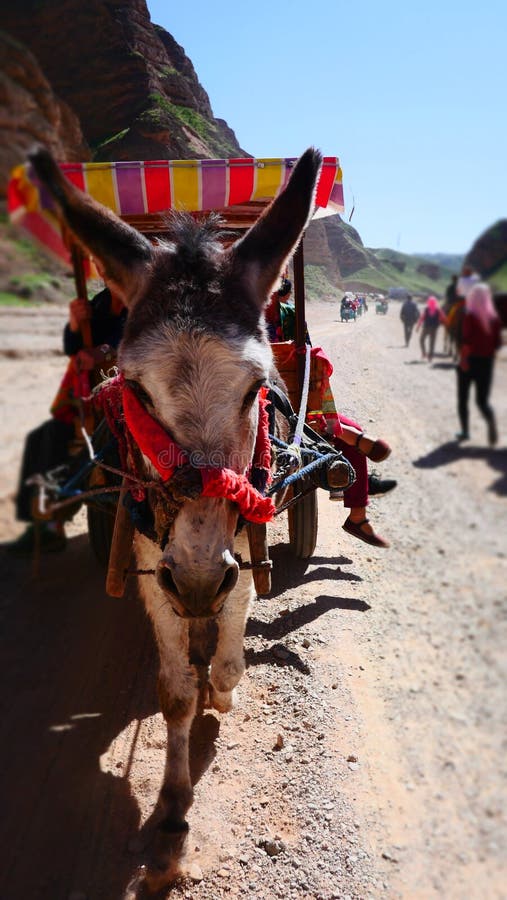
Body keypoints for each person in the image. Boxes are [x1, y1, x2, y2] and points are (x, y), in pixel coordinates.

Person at [6, 286, 127, 556]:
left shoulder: (143, 295)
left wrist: (104, 352)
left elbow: (139, 338)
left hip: (127, 397)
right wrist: (74, 325)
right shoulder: (100, 303)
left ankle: (54, 515)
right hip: (92, 399)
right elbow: (73, 348)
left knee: (89, 446)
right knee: (43, 437)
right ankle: (45, 524)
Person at [455, 281, 502, 444]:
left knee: (463, 398)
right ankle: (492, 424)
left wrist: (463, 361)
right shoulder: (494, 318)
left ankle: (465, 432)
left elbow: (466, 342)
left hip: (470, 361)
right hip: (487, 363)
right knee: (482, 401)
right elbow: (497, 344)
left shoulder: (470, 315)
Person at [416, 296, 447, 361]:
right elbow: (443, 318)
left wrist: (418, 327)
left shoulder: (426, 309)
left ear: (428, 302)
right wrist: (441, 322)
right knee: (432, 343)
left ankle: (424, 353)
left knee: (421, 340)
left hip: (426, 328)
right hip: (434, 329)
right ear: (435, 302)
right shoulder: (438, 310)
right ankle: (430, 357)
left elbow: (422, 318)